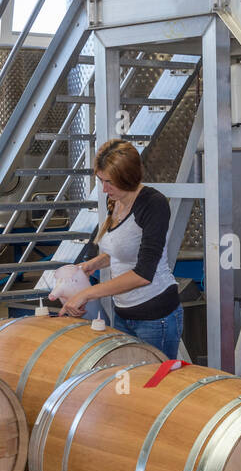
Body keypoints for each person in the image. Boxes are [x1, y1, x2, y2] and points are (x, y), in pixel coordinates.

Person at [53, 138, 183, 359]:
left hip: (155, 317)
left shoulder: (153, 204)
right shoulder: (114, 200)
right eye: (101, 181)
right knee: (129, 386)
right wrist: (92, 264)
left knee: (155, 388)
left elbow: (143, 274)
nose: (104, 189)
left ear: (129, 177)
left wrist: (87, 293)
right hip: (123, 314)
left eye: (109, 182)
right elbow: (122, 249)